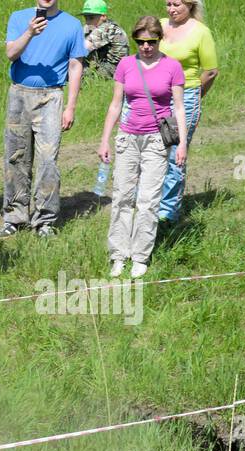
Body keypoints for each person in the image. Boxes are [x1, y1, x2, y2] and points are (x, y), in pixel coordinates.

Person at [99, 16, 187, 278]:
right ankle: (118, 254)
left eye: (151, 41)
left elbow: (179, 108)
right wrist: (105, 139)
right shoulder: (126, 64)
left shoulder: (173, 67)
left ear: (160, 39)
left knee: (148, 201)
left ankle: (140, 255)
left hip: (156, 141)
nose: (146, 46)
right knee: (122, 197)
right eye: (140, 42)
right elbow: (116, 104)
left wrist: (181, 144)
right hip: (127, 137)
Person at [0, 0, 87, 238]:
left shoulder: (72, 25)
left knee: (48, 160)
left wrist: (71, 106)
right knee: (15, 158)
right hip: (19, 94)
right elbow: (10, 53)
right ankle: (15, 217)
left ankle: (45, 219)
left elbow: (76, 65)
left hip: (51, 96)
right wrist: (29, 32)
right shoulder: (19, 18)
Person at [158, 0, 218, 224]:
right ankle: (152, 200)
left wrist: (193, 96)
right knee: (155, 150)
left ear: (190, 5)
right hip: (157, 97)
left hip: (186, 95)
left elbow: (211, 71)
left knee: (175, 153)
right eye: (168, 4)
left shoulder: (201, 32)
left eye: (177, 4)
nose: (171, 9)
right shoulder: (161, 25)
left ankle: (168, 212)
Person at [81, 0, 129, 81]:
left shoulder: (107, 29)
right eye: (86, 18)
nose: (88, 22)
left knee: (75, 67)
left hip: (114, 68)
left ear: (103, 16)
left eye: (91, 18)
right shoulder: (104, 25)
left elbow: (83, 48)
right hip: (107, 64)